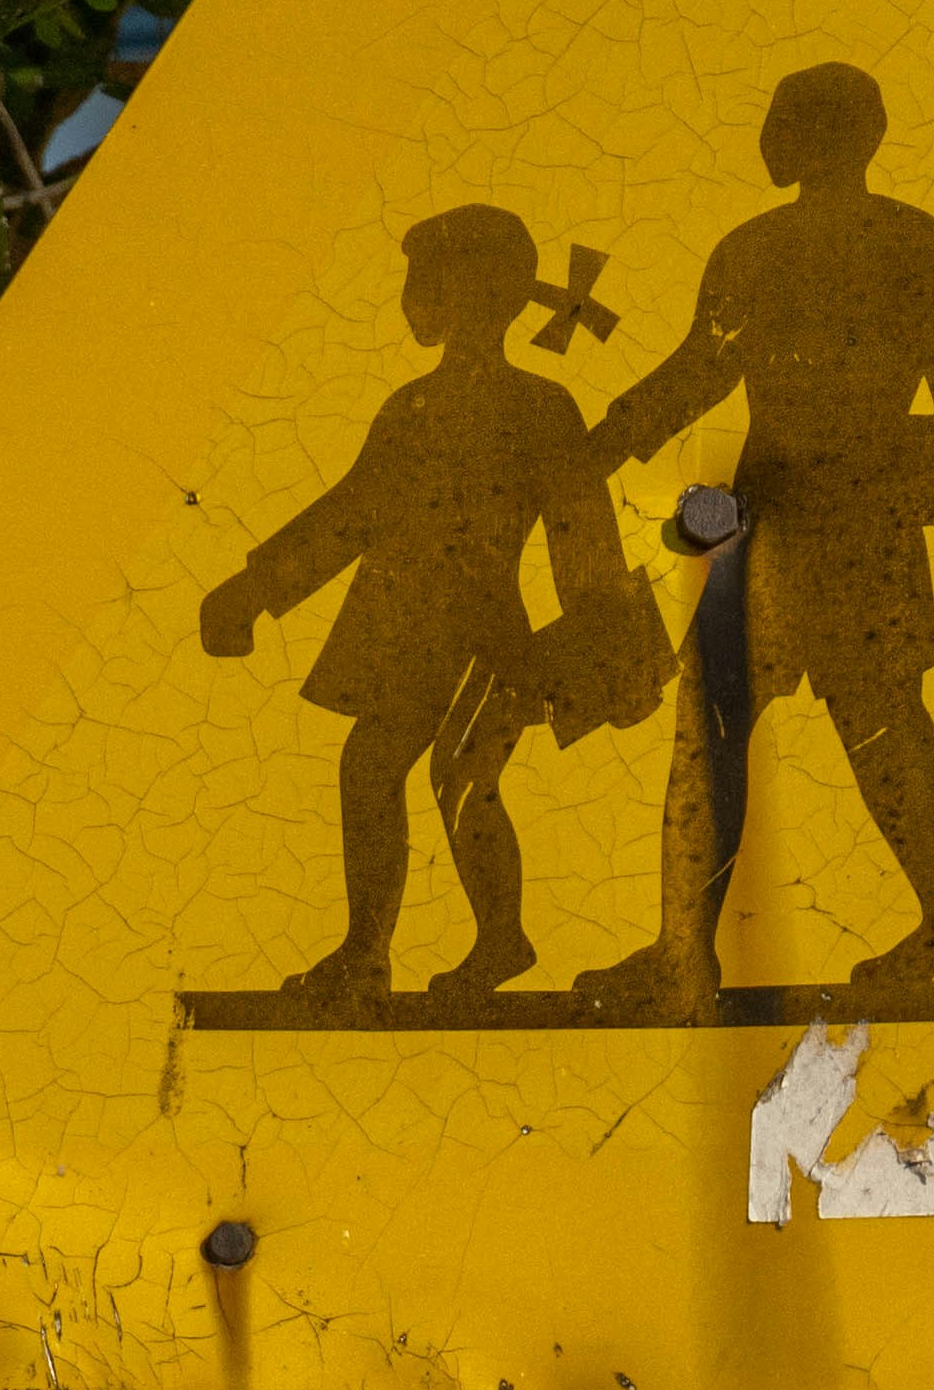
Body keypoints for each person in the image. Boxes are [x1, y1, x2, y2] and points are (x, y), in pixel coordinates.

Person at [584, 62, 934, 1003]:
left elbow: (698, 373)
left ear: (803, 137)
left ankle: (700, 951)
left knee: (781, 728)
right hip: (797, 514)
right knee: (852, 722)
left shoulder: (776, 247)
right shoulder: (909, 240)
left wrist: (608, 438)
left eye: (779, 121)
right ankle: (696, 949)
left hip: (809, 516)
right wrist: (614, 436)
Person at [198, 204, 660, 1007]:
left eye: (427, 281)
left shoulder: (539, 408)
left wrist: (612, 652)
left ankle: (495, 939)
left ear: (477, 293)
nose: (413, 299)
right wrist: (253, 590)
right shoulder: (411, 407)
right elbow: (349, 512)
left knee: (460, 772)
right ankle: (369, 950)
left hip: (487, 635)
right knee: (372, 770)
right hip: (406, 630)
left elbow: (581, 534)